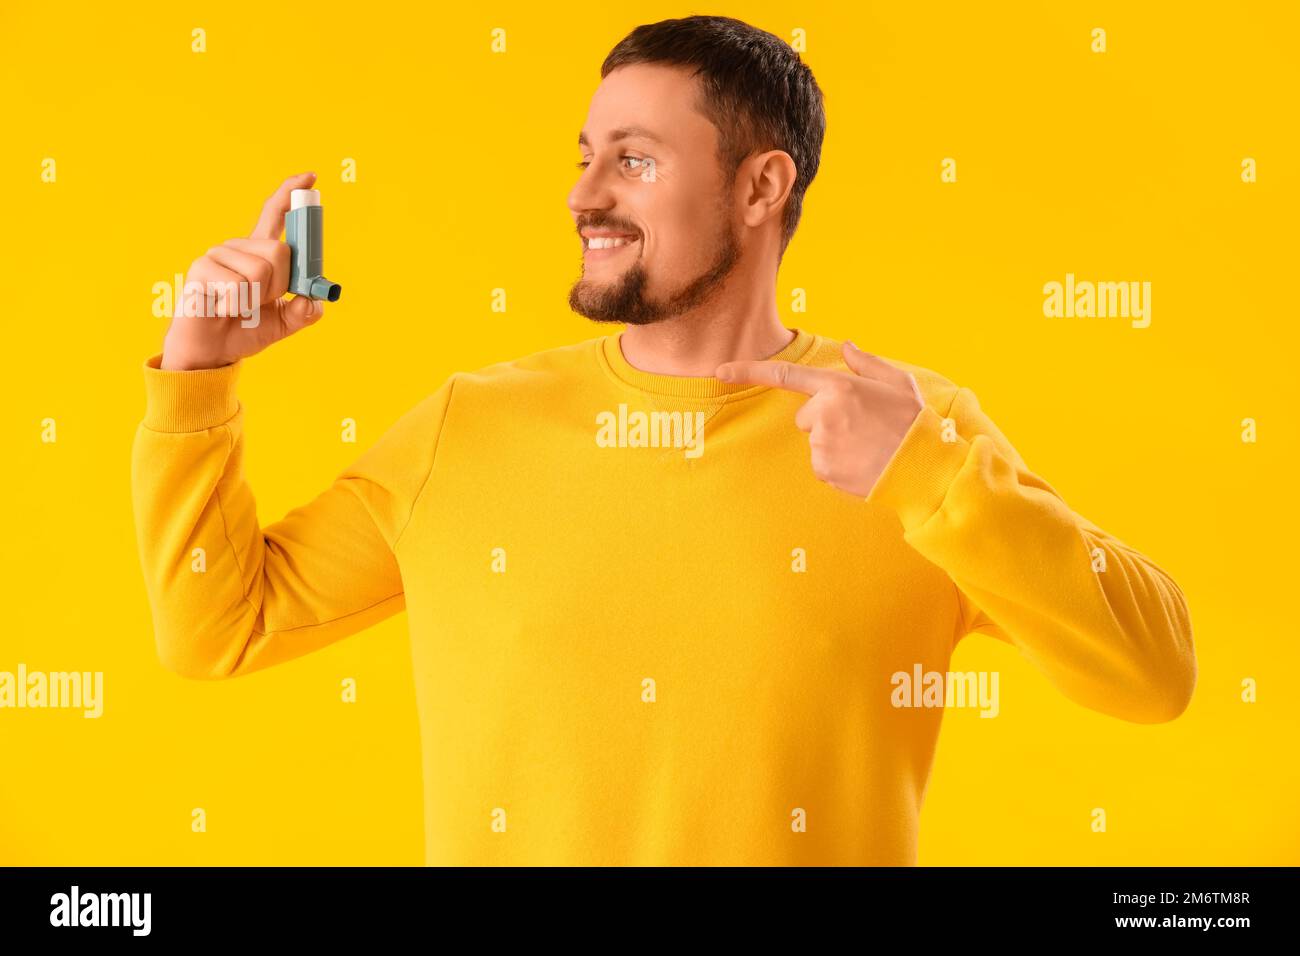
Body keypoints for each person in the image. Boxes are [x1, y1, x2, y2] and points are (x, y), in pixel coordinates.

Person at [131, 15, 1195, 866]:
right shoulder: (470, 425)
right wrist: (198, 377)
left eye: (631, 161)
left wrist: (932, 475)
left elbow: (1155, 673)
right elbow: (216, 627)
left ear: (761, 186)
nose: (582, 195)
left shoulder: (909, 432)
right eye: (587, 157)